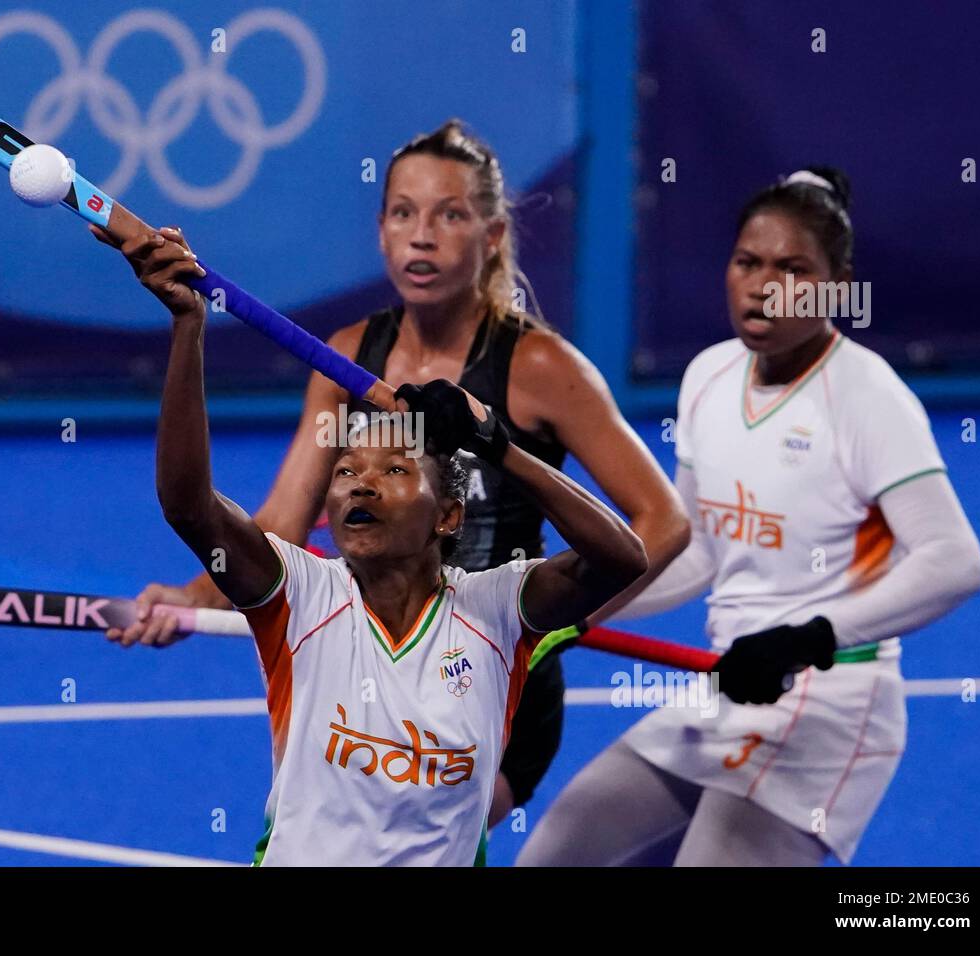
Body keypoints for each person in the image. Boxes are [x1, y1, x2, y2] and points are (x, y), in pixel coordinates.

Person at [97, 120, 689, 825]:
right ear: (381, 231)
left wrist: (551, 626)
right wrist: (192, 595)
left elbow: (663, 524)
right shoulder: (347, 358)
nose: (423, 234)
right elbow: (282, 522)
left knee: (411, 836)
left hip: (495, 680)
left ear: (493, 236)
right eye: (403, 213)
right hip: (359, 662)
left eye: (451, 215)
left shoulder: (540, 368)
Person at [517, 167, 980, 867]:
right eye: (748, 262)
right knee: (554, 856)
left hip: (833, 704)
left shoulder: (868, 398)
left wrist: (807, 637)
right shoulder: (708, 374)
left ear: (837, 282)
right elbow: (700, 553)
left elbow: (956, 563)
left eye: (793, 269)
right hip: (727, 690)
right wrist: (583, 610)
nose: (764, 284)